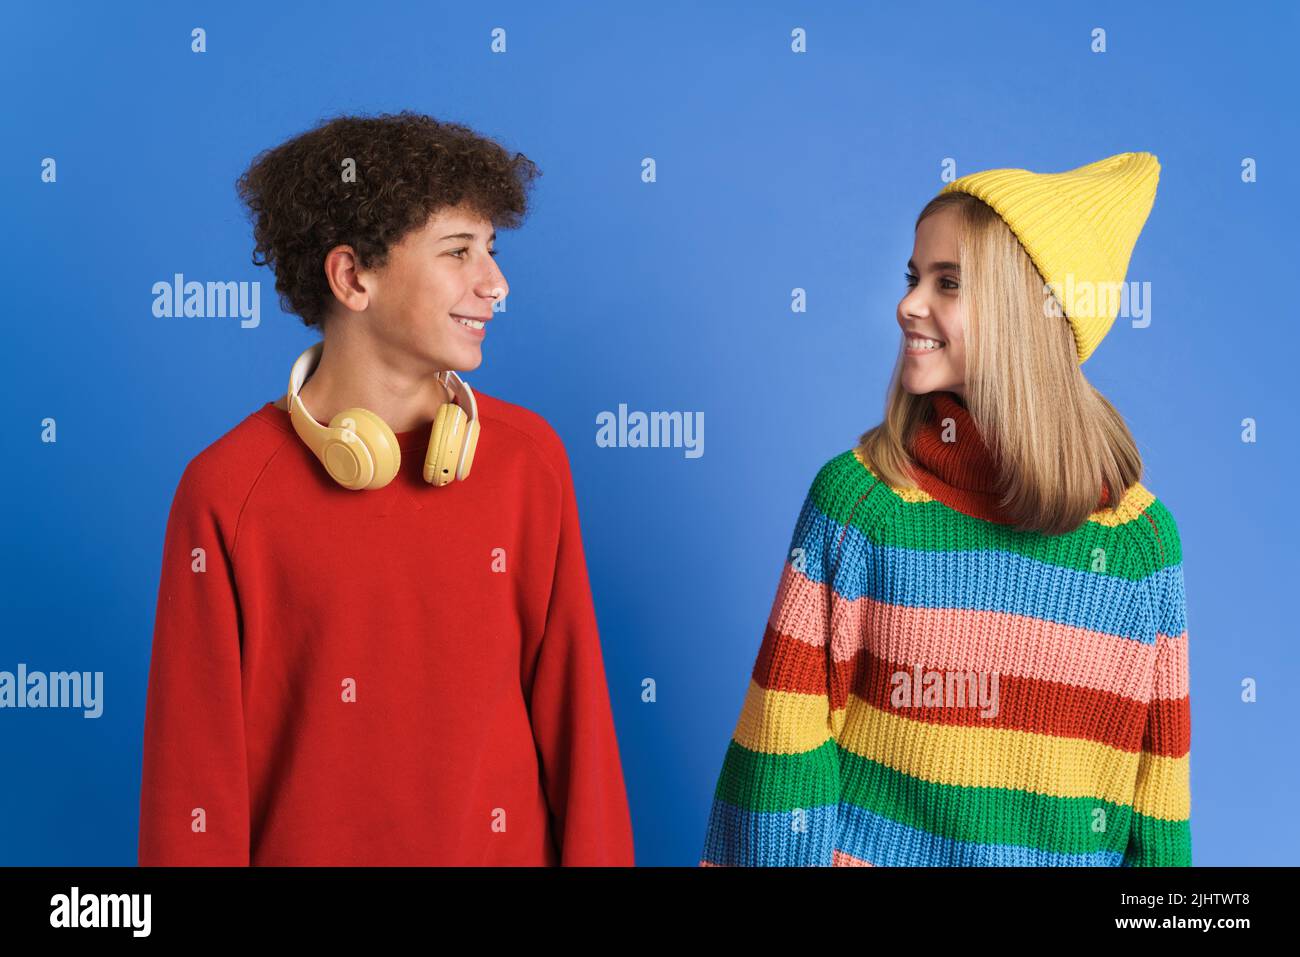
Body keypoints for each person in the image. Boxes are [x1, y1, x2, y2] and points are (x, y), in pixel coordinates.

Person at [138, 111, 635, 866]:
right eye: (458, 251)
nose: (495, 282)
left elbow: (581, 732)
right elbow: (193, 791)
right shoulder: (225, 492)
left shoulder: (529, 463)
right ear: (352, 277)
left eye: (491, 250)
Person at [699, 152, 1191, 866]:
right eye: (914, 276)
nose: (908, 303)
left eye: (948, 283)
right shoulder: (860, 503)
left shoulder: (1140, 548)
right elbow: (783, 747)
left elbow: (1159, 803)